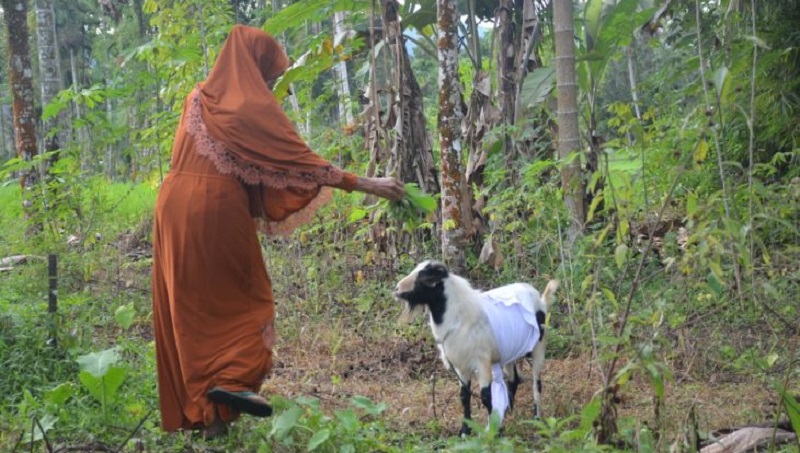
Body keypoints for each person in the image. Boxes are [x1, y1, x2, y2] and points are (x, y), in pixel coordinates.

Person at [151, 24, 404, 439]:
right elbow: (297, 161)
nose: (268, 83)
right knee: (248, 297)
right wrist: (368, 184)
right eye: (267, 73)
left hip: (171, 204)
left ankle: (211, 415)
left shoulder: (197, 97)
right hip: (215, 208)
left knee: (191, 306)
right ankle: (232, 380)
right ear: (251, 65)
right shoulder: (248, 107)